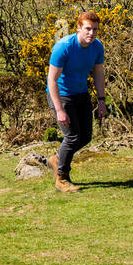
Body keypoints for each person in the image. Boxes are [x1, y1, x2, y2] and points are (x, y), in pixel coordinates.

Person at [46, 11, 107, 192]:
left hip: (81, 93)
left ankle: (58, 159)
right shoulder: (63, 47)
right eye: (88, 29)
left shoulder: (97, 47)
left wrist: (101, 100)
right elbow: (52, 80)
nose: (91, 33)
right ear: (79, 28)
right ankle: (62, 178)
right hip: (61, 95)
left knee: (85, 136)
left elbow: (98, 73)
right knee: (72, 137)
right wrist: (59, 110)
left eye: (95, 29)